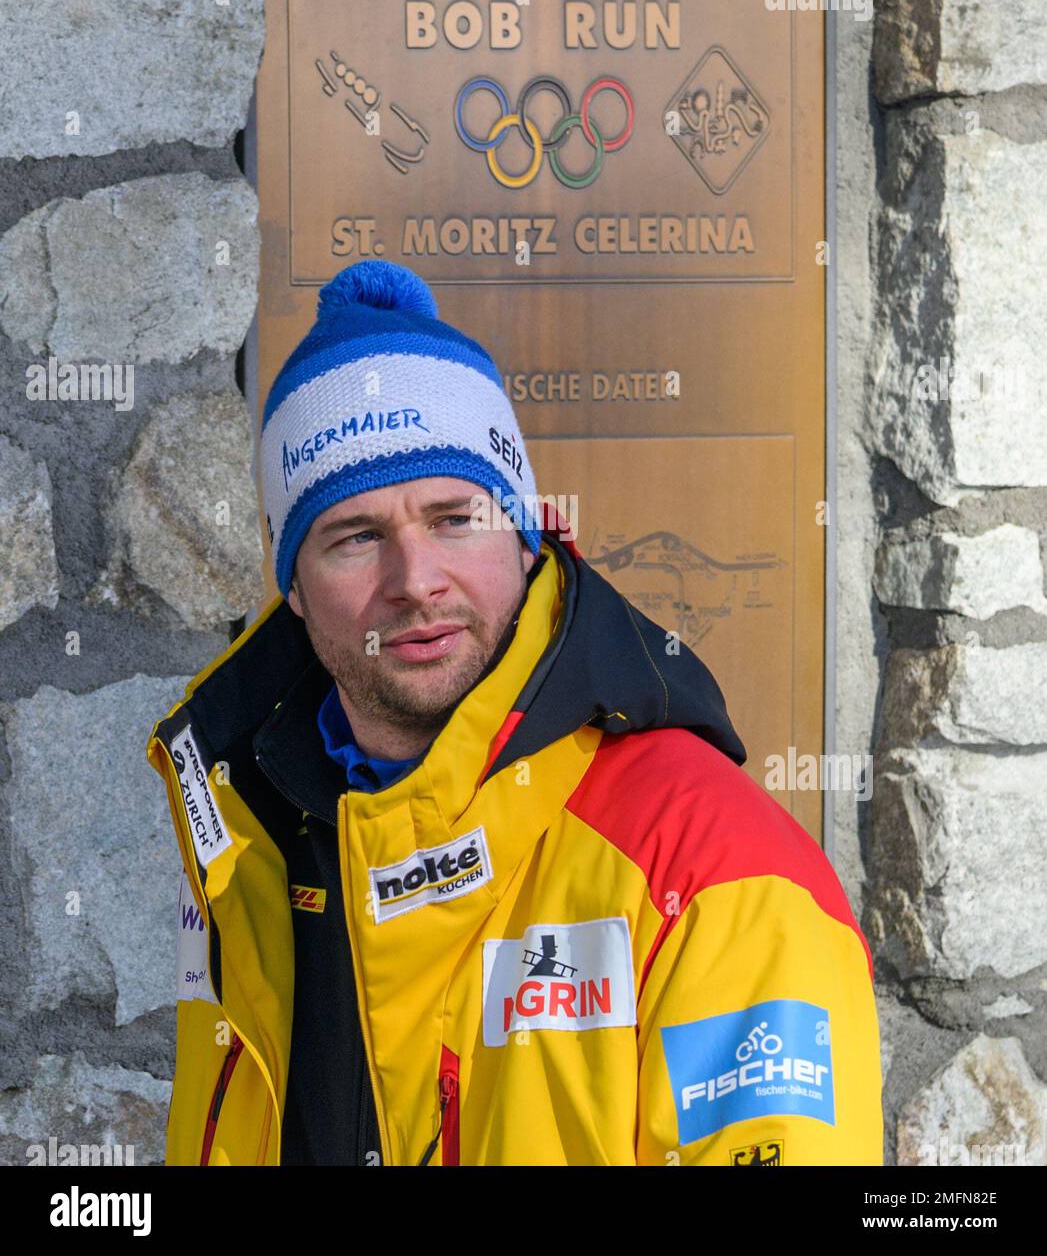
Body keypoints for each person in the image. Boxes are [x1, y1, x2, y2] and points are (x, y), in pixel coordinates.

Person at [147, 259, 883, 1166]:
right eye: (355, 538)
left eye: (454, 518)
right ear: (292, 587)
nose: (415, 581)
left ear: (525, 535)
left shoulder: (713, 874)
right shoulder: (243, 839)